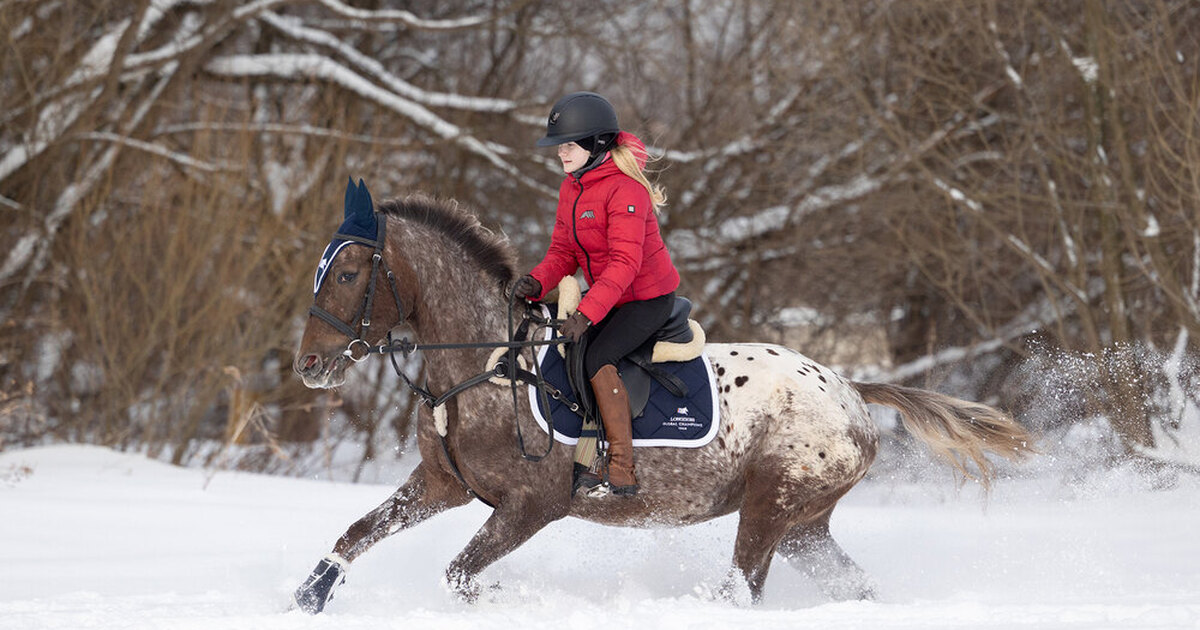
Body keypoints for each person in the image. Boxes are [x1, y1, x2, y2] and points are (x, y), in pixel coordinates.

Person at [511, 92, 681, 496]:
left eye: (568, 145)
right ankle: (587, 448)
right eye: (559, 146)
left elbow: (625, 264)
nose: (561, 154)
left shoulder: (626, 190)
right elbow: (563, 252)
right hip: (611, 296)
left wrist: (586, 313)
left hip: (647, 298)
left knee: (599, 354)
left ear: (596, 144)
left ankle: (622, 464)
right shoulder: (572, 188)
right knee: (570, 351)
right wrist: (536, 282)